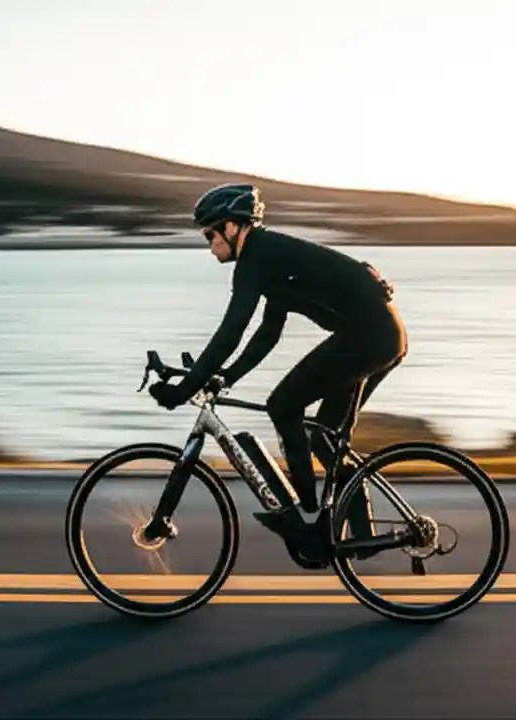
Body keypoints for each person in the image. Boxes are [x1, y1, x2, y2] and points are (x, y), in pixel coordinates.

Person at [147, 183, 408, 550]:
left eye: (210, 234)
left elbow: (230, 332)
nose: (210, 244)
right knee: (324, 437)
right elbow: (267, 333)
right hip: (381, 334)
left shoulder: (257, 257)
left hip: (369, 337)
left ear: (232, 227)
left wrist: (183, 390)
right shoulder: (270, 255)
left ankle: (307, 516)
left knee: (283, 405)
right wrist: (227, 376)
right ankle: (361, 538)